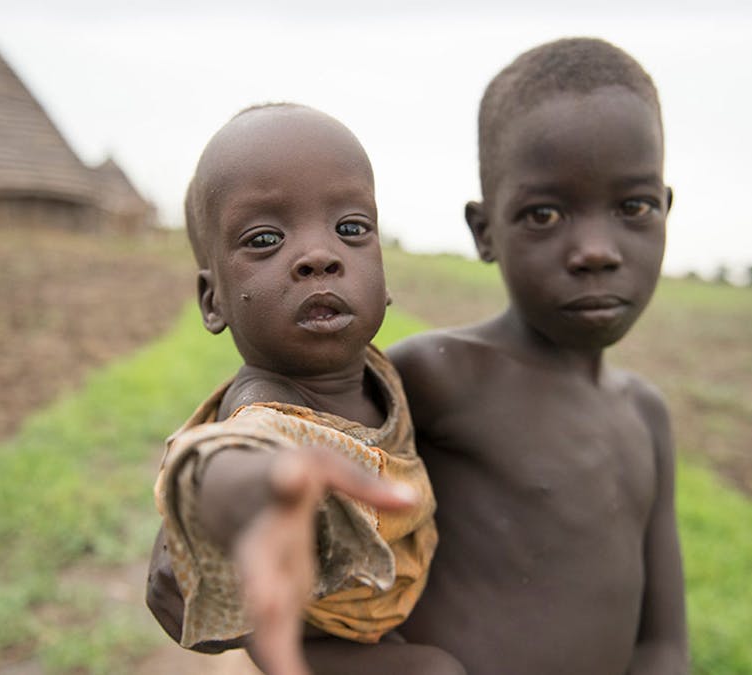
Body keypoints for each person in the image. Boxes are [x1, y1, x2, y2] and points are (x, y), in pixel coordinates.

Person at [149, 36, 687, 674]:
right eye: (544, 214)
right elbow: (266, 432)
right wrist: (211, 522)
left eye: (633, 206)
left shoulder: (647, 416)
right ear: (484, 231)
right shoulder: (435, 377)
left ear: (666, 211)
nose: (595, 250)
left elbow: (662, 641)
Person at [148, 102, 462, 675]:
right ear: (213, 300)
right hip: (308, 642)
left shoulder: (385, 375)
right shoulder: (267, 413)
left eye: (351, 229)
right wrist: (263, 487)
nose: (319, 256)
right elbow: (223, 460)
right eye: (265, 238)